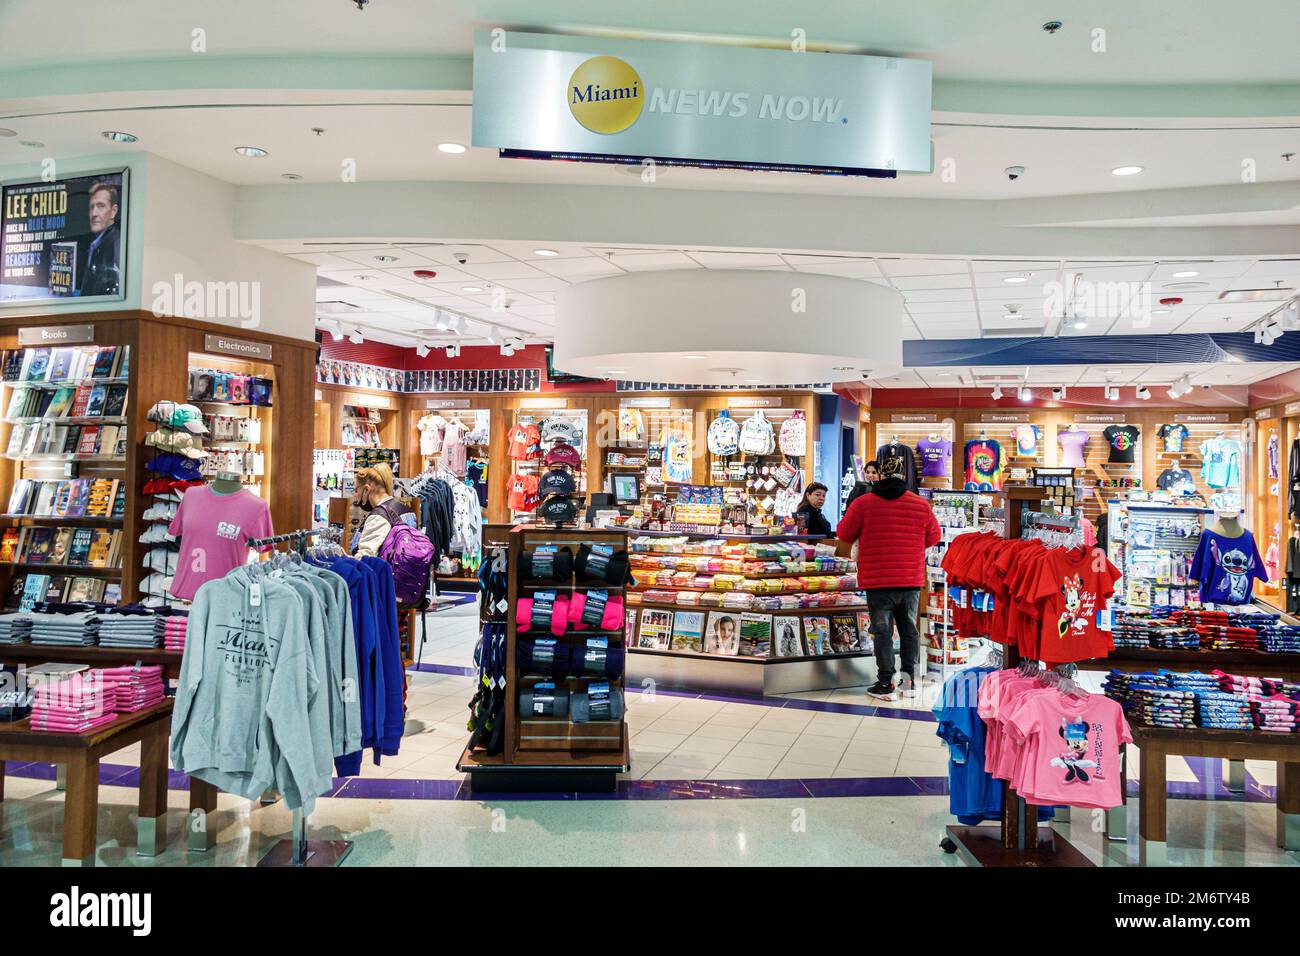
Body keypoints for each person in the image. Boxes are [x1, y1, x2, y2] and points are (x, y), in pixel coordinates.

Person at [836, 458, 940, 700]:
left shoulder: (863, 503)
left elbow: (844, 533)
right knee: (909, 630)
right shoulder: (920, 505)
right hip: (910, 578)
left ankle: (886, 684)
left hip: (878, 579)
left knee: (882, 631)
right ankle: (909, 681)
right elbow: (933, 537)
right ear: (904, 476)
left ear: (881, 475)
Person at [352, 463, 415, 557]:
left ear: (366, 490)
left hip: (382, 571)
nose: (355, 495)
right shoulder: (406, 510)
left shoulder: (379, 516)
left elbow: (365, 557)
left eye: (356, 490)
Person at [80, 181, 121, 297]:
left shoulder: (117, 244)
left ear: (113, 211)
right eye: (91, 207)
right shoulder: (94, 244)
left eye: (100, 206)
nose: (94, 213)